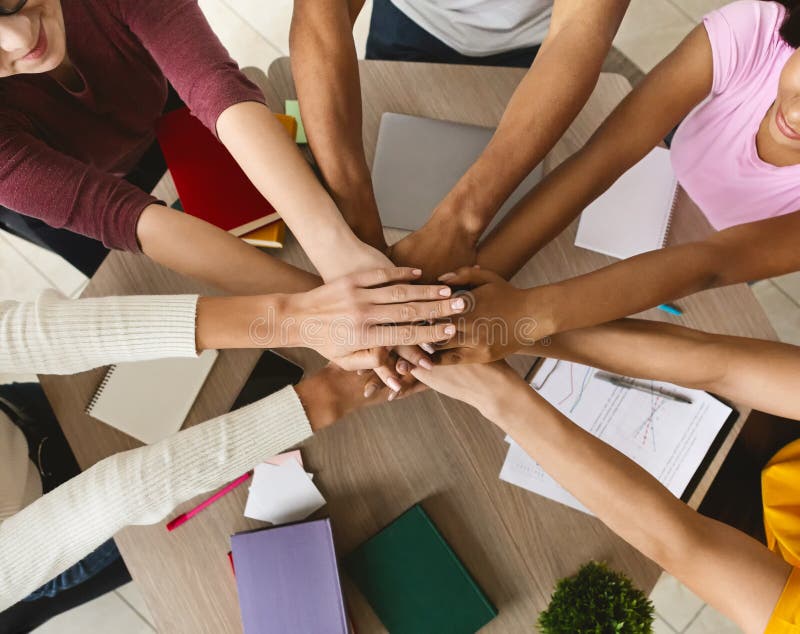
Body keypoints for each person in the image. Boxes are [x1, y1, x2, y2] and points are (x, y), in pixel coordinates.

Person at [0, 266, 460, 627]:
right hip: (41, 535)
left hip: (20, 420)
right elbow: (119, 493)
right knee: (185, 539)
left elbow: (25, 336)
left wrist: (290, 318)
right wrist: (325, 399)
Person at [420, 0, 800, 365]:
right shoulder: (757, 33)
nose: (796, 113)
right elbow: (601, 160)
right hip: (672, 187)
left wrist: (522, 314)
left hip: (732, 250)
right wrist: (467, 283)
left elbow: (710, 265)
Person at [411, 317, 800, 633]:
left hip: (766, 538)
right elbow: (724, 366)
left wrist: (498, 396)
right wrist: (512, 329)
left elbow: (684, 545)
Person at [289, 0, 630, 273]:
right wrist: (352, 200)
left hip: (543, 38)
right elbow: (320, 14)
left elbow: (580, 27)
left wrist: (462, 221)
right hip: (412, 17)